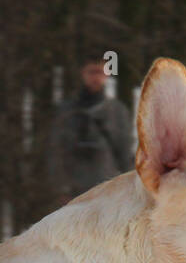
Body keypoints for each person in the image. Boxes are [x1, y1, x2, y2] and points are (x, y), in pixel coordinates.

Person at [48, 57, 135, 202]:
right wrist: (61, 186)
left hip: (108, 189)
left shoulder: (117, 111)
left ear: (107, 75)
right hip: (74, 189)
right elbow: (56, 149)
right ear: (84, 73)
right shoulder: (67, 111)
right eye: (92, 72)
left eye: (100, 72)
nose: (96, 77)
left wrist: (128, 186)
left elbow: (125, 150)